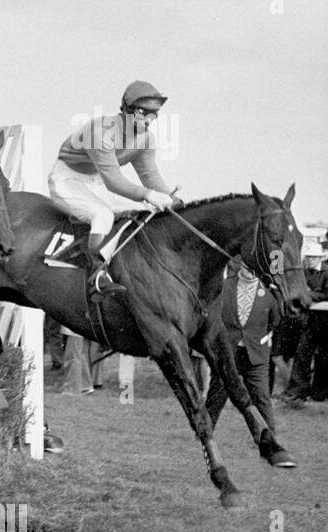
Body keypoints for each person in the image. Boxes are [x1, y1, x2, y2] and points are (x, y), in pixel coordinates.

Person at [48, 81, 181, 296]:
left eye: (154, 114)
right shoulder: (101, 132)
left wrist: (172, 199)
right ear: (128, 111)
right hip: (68, 179)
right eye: (143, 113)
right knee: (103, 215)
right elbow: (113, 181)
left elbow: (149, 175)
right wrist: (148, 195)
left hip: (95, 181)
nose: (150, 120)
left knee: (144, 211)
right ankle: (96, 273)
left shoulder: (146, 139)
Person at [205, 263, 290, 461]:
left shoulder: (268, 292)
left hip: (256, 354)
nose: (249, 270)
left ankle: (269, 442)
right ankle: (204, 434)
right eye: (246, 266)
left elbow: (276, 319)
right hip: (228, 351)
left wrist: (260, 336)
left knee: (261, 397)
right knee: (217, 395)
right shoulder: (225, 286)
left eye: (253, 268)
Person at [285, 247, 328, 401]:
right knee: (301, 354)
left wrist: (308, 294)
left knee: (323, 358)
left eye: (312, 257)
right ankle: (298, 390)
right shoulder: (306, 272)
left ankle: (319, 392)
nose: (309, 259)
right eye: (308, 257)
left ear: (319, 259)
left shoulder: (326, 273)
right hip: (310, 322)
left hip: (325, 323)